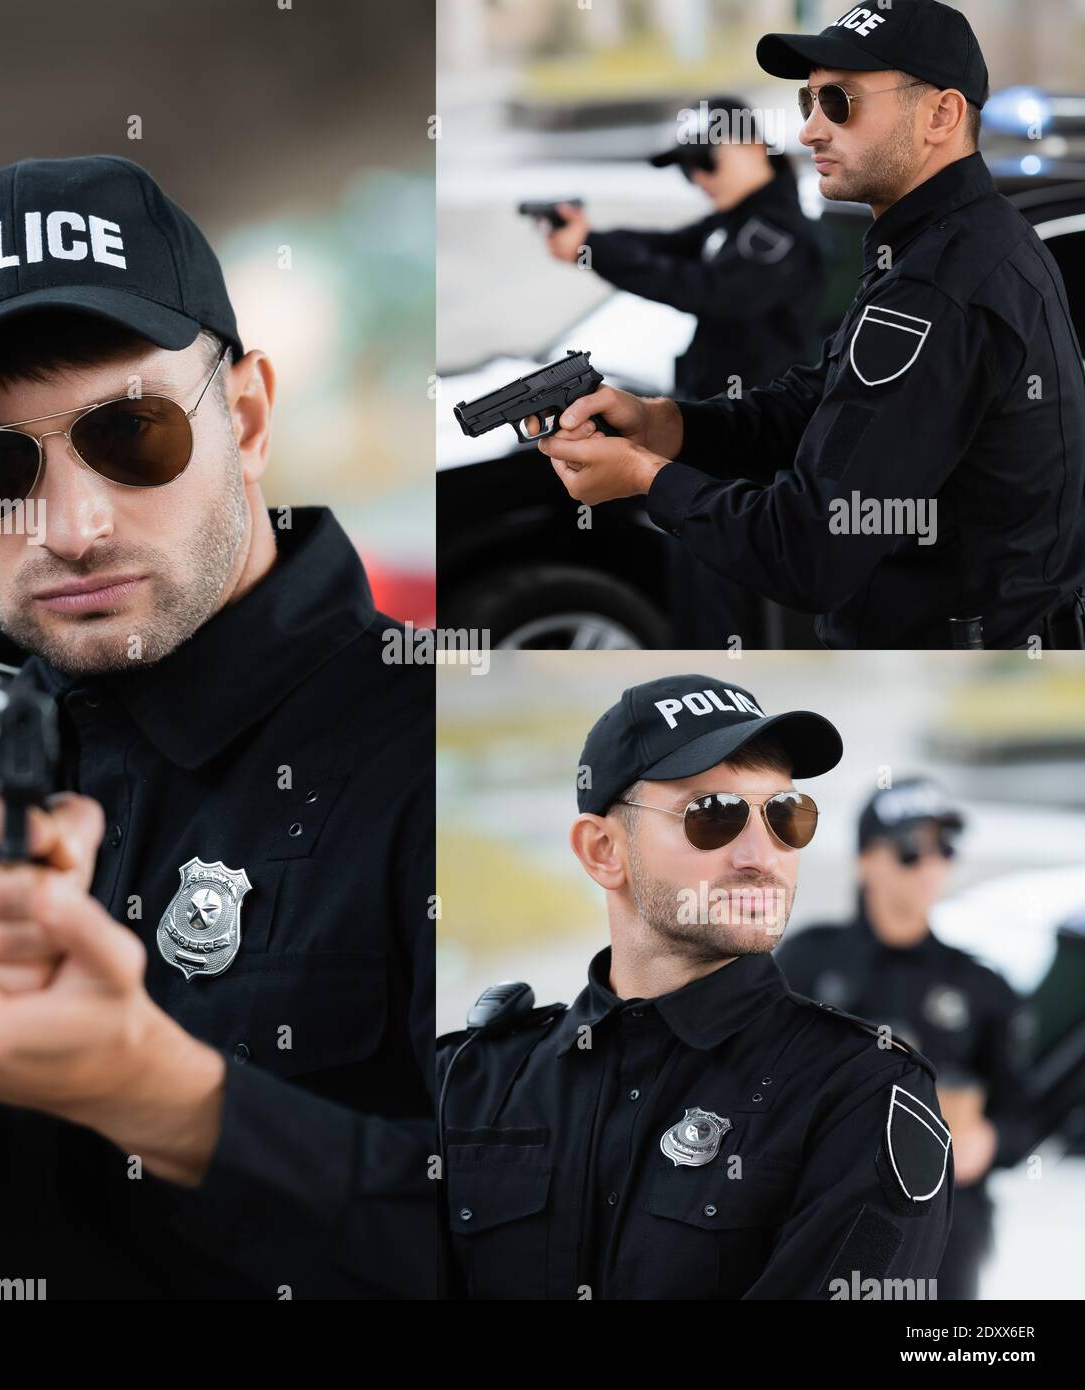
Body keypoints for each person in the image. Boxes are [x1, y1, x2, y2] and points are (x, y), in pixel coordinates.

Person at [0, 155, 435, 1299]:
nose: (76, 526)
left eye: (133, 435)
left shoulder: (430, 739)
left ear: (245, 415)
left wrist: (172, 1102)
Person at [534, 0, 1085, 650]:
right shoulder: (945, 243)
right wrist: (665, 425)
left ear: (941, 114)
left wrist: (643, 476)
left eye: (839, 102)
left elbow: (812, 550)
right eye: (806, 103)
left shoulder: (940, 281)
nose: (810, 131)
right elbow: (819, 401)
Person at [438, 674, 954, 1299]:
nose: (761, 856)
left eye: (786, 815)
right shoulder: (465, 1081)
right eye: (714, 814)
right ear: (603, 850)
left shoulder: (862, 1090)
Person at [540, 96, 825, 648]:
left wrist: (592, 248)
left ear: (747, 146)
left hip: (751, 456)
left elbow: (707, 290)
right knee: (696, 593)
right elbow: (664, 247)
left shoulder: (778, 233)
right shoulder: (737, 222)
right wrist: (587, 240)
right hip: (706, 438)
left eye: (705, 162)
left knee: (721, 611)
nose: (697, 178)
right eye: (687, 168)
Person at [777, 779, 1041, 1299]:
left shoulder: (980, 985)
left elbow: (1023, 1113)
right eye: (909, 850)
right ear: (864, 862)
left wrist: (988, 1143)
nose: (930, 865)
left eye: (943, 848)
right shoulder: (805, 963)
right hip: (820, 1215)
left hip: (944, 1225)